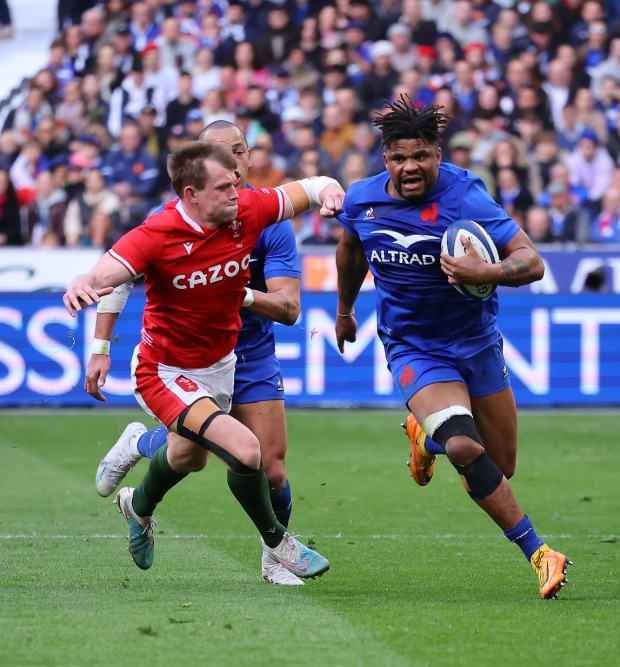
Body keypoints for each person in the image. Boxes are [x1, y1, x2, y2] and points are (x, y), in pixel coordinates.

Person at [62, 140, 344, 580]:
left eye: (235, 182)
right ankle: (279, 543)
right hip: (164, 372)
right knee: (247, 452)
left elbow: (312, 185)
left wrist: (329, 192)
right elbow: (107, 274)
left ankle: (137, 506)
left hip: (221, 366)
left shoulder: (249, 209)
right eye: (222, 187)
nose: (235, 192)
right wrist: (85, 287)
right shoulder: (157, 233)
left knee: (189, 458)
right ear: (190, 195)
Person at [334, 97, 571, 599]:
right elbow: (352, 249)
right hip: (413, 346)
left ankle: (424, 435)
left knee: (497, 466)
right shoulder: (362, 201)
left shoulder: (467, 197)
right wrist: (345, 311)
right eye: (399, 158)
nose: (410, 167)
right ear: (385, 159)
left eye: (420, 155)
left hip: (476, 342)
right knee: (465, 447)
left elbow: (532, 262)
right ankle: (540, 552)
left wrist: (485, 272)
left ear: (437, 153)